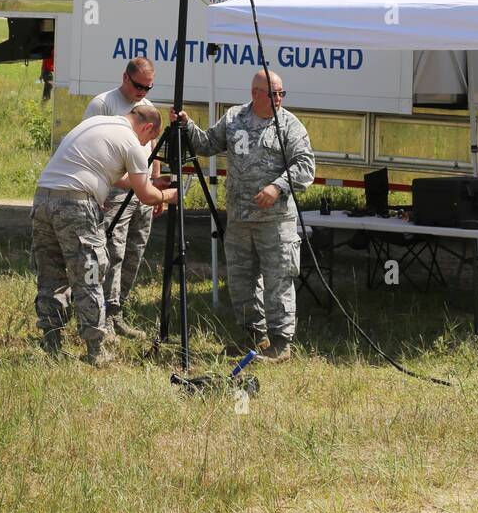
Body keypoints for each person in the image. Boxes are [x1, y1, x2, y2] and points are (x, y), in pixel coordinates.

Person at [172, 69, 315, 362]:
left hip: (275, 222)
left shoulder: (289, 125)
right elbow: (206, 144)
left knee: (278, 282)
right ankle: (254, 336)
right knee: (241, 282)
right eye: (272, 94)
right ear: (255, 94)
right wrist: (187, 127)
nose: (278, 99)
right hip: (239, 221)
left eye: (281, 93)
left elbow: (305, 166)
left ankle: (281, 343)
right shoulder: (234, 118)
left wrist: (277, 186)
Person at [31, 100, 175, 366]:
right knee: (89, 273)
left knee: (51, 274)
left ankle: (51, 343)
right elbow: (145, 196)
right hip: (76, 204)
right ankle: (96, 350)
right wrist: (168, 194)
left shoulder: (96, 124)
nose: (147, 146)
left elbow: (112, 175)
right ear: (147, 127)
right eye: (151, 139)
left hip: (43, 199)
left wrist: (151, 181)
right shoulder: (132, 141)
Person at [84, 58, 160, 339]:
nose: (142, 92)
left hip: (141, 189)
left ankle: (118, 312)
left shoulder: (147, 109)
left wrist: (153, 187)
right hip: (114, 190)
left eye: (148, 87)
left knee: (135, 250)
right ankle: (103, 314)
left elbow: (151, 151)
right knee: (112, 252)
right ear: (125, 78)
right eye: (139, 85)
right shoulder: (103, 104)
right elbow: (91, 149)